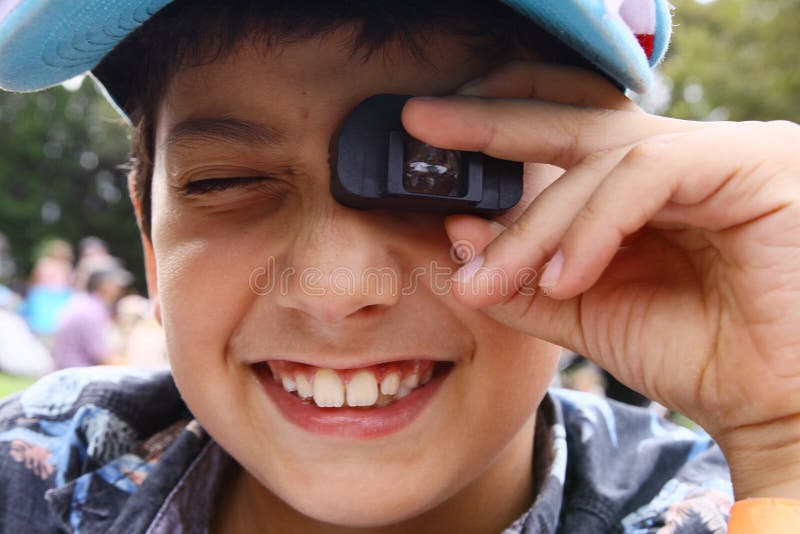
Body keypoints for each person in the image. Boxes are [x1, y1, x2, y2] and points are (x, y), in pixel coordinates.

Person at [0, 1, 798, 532]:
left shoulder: (729, 504)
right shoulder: (33, 473)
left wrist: (781, 438)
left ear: (601, 193)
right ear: (149, 238)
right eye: (227, 183)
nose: (337, 290)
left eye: (444, 169)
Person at [50, 265, 132, 370]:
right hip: (79, 374)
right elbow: (103, 357)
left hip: (69, 371)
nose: (120, 290)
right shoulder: (91, 311)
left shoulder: (82, 303)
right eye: (116, 285)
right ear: (105, 285)